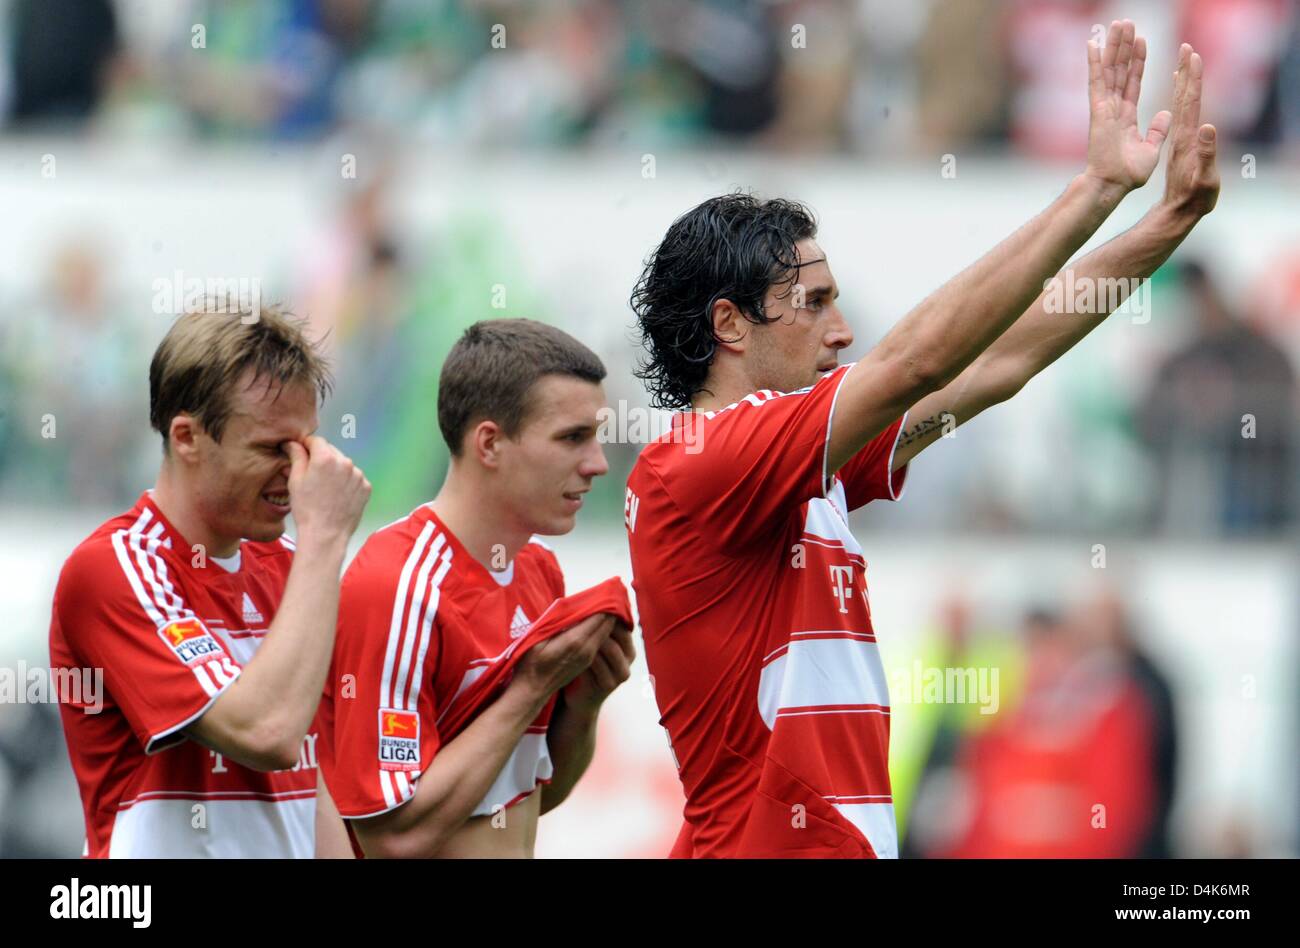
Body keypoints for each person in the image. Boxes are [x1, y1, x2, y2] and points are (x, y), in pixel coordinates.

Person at [625, 22, 1221, 857]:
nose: (841, 330)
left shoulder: (805, 467)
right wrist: (1092, 189)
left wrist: (1167, 221)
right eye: (817, 302)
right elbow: (916, 361)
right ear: (729, 322)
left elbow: (1001, 360)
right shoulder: (697, 462)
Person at [49, 304, 371, 857]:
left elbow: (310, 779)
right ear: (187, 437)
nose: (299, 473)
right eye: (273, 448)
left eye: (307, 445)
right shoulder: (113, 567)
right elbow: (266, 733)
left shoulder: (298, 568)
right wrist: (324, 540)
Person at [317, 319, 634, 858]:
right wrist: (531, 689)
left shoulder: (540, 573)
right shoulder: (398, 585)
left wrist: (584, 704)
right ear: (489, 443)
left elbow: (533, 790)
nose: (598, 464)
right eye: (572, 438)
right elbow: (393, 836)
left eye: (597, 437)